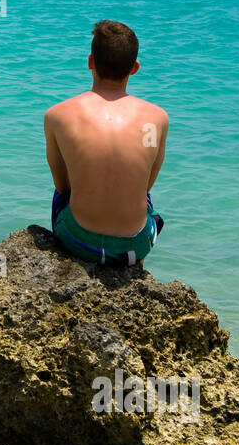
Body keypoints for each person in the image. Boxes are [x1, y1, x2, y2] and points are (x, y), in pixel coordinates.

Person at [43, 20, 168, 267]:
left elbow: (62, 186)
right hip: (136, 246)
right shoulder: (157, 118)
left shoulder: (57, 115)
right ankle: (133, 264)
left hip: (80, 243)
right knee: (145, 200)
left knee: (62, 197)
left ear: (90, 62)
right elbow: (146, 186)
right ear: (134, 68)